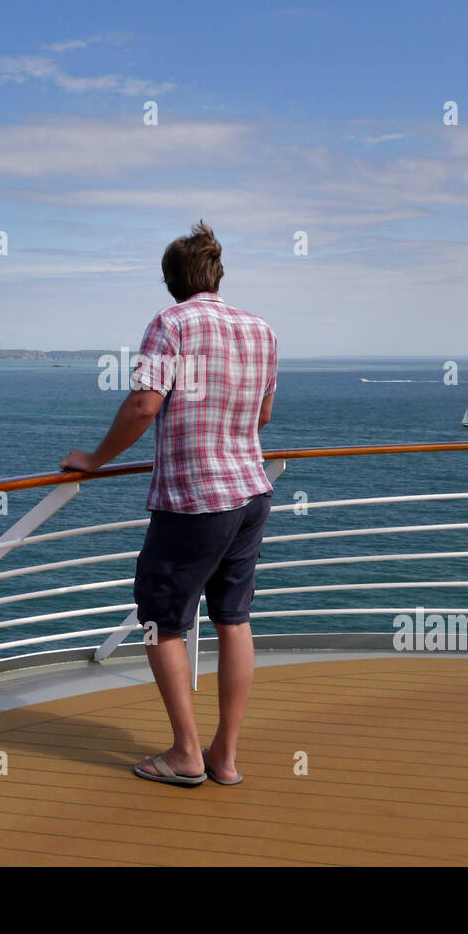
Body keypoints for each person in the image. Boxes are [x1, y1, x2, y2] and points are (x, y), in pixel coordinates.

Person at [60, 220, 276, 787]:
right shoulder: (261, 330)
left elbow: (142, 406)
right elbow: (263, 417)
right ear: (217, 273)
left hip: (195, 500)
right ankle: (223, 757)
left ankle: (185, 754)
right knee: (233, 619)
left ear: (170, 280)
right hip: (250, 493)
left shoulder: (171, 324)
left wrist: (95, 460)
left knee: (161, 620)